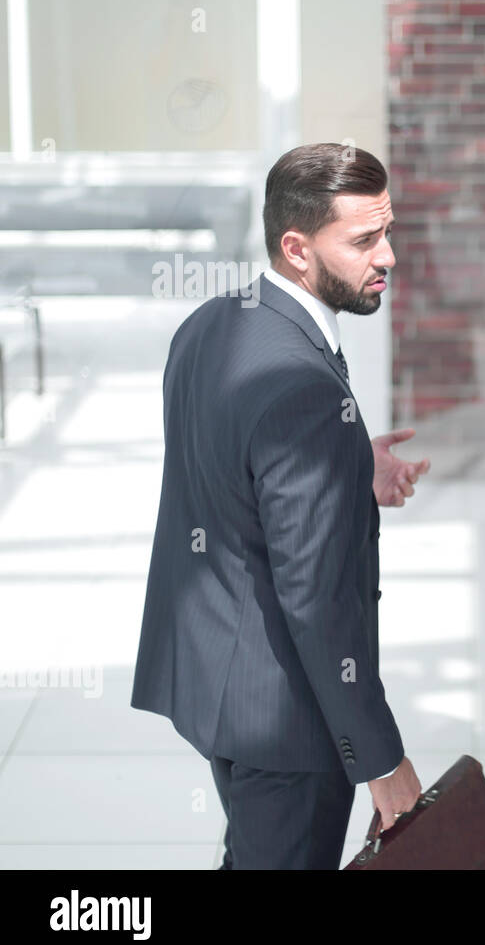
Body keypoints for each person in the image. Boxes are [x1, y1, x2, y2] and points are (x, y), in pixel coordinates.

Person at [132, 144, 430, 869]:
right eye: (364, 240)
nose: (387, 255)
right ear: (297, 248)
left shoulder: (210, 323)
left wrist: (349, 463)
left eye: (386, 231)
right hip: (288, 719)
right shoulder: (303, 384)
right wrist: (383, 763)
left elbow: (232, 471)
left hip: (216, 683)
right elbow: (318, 601)